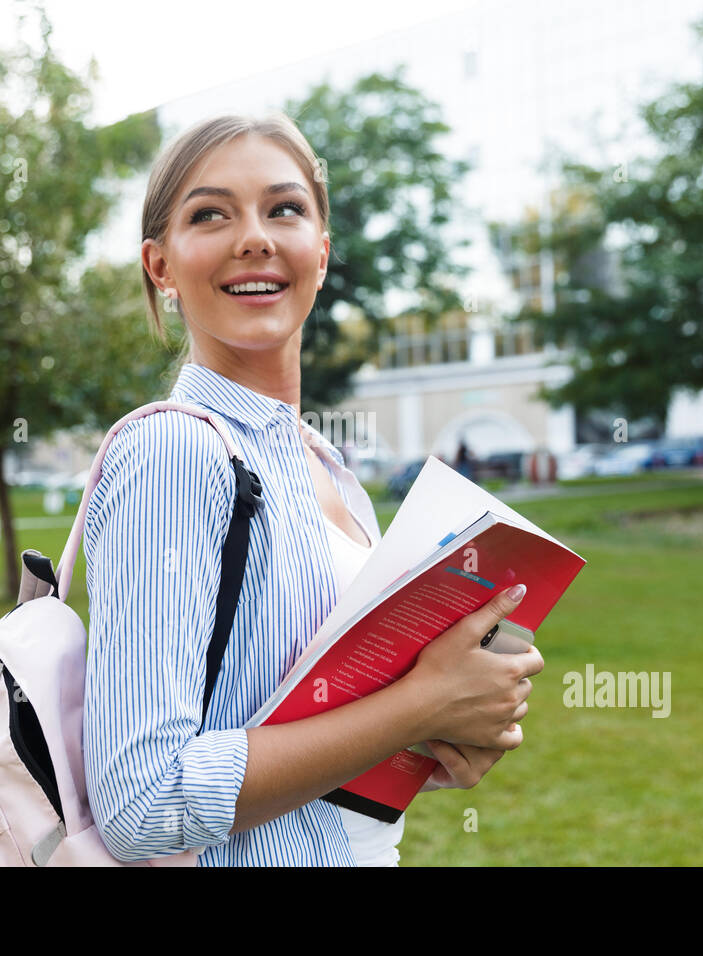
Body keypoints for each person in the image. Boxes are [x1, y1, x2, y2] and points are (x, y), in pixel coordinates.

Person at [81, 113, 544, 866]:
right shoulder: (174, 452)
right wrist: (421, 703)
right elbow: (146, 802)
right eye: (210, 214)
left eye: (284, 209)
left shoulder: (326, 464)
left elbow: (315, 745)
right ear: (159, 266)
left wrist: (446, 732)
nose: (255, 237)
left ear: (321, 254)